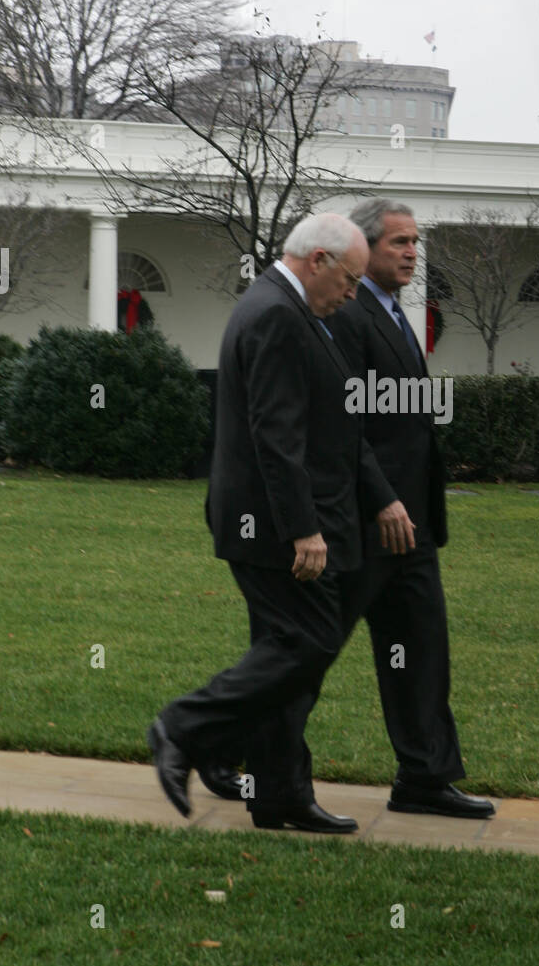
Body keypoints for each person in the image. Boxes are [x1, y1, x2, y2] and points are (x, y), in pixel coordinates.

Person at [202, 198, 494, 820]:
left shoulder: (392, 314)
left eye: (416, 241)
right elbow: (338, 426)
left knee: (420, 649)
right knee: (305, 650)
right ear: (355, 251)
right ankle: (221, 745)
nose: (413, 252)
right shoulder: (337, 311)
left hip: (409, 525)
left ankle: (425, 776)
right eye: (398, 243)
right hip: (358, 521)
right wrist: (379, 497)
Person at [147, 212, 415, 833]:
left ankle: (278, 793)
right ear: (316, 261)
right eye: (348, 280)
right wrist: (304, 528)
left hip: (277, 521)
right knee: (309, 643)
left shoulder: (294, 312)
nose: (352, 294)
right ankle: (184, 728)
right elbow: (276, 435)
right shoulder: (275, 314)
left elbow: (326, 424)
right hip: (268, 528)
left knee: (292, 649)